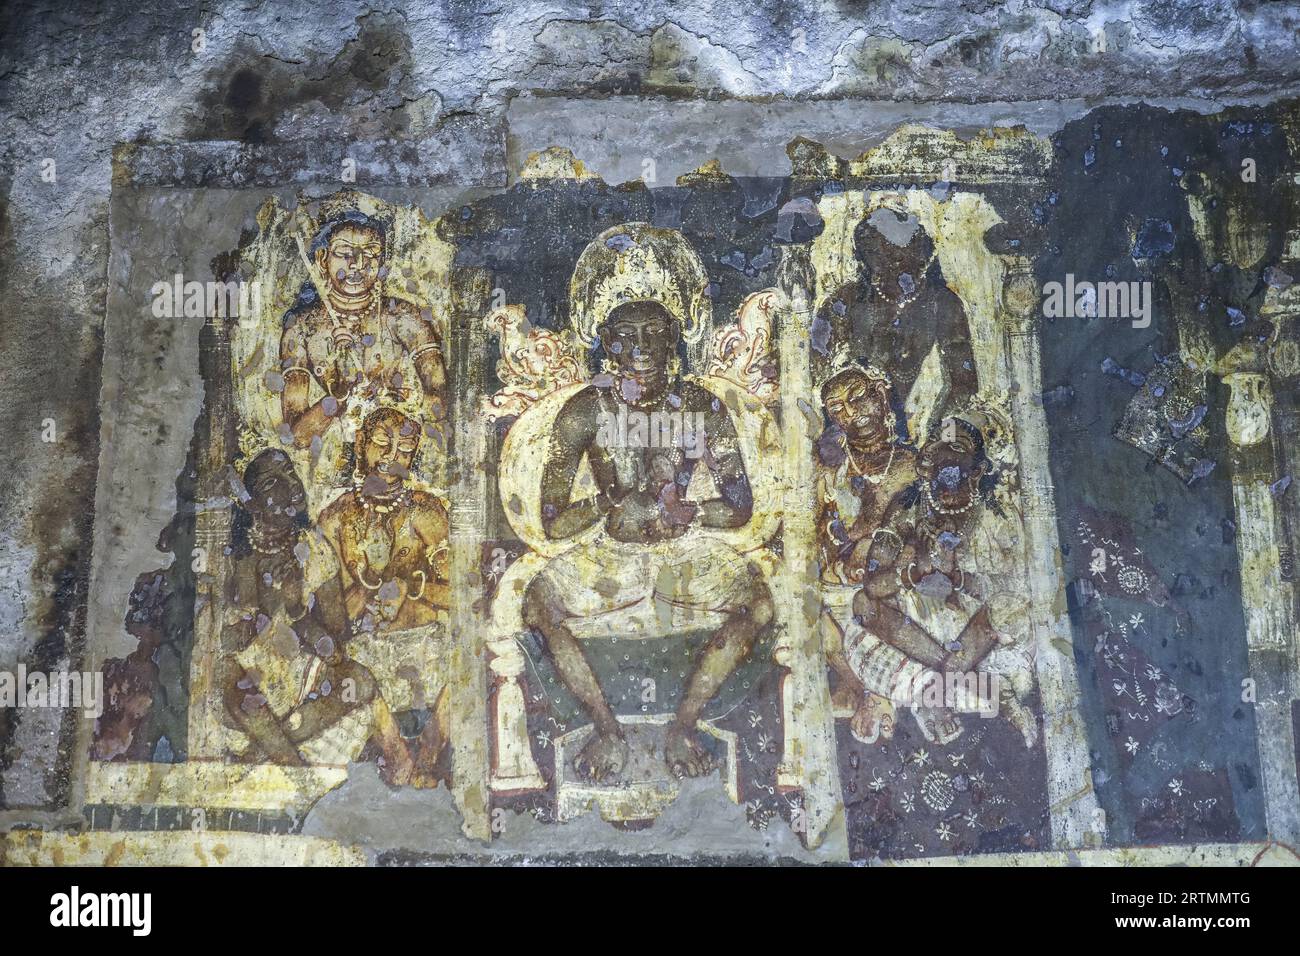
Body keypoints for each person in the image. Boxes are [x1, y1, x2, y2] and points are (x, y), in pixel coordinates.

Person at [521, 299, 774, 783]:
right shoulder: (585, 410)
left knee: (760, 604)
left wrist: (691, 510)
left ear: (673, 337)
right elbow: (552, 522)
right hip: (612, 554)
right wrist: (607, 504)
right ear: (607, 343)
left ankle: (683, 726)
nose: (641, 345)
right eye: (627, 334)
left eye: (654, 332)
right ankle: (607, 729)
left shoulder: (700, 405)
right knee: (538, 604)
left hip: (683, 550)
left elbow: (740, 505)